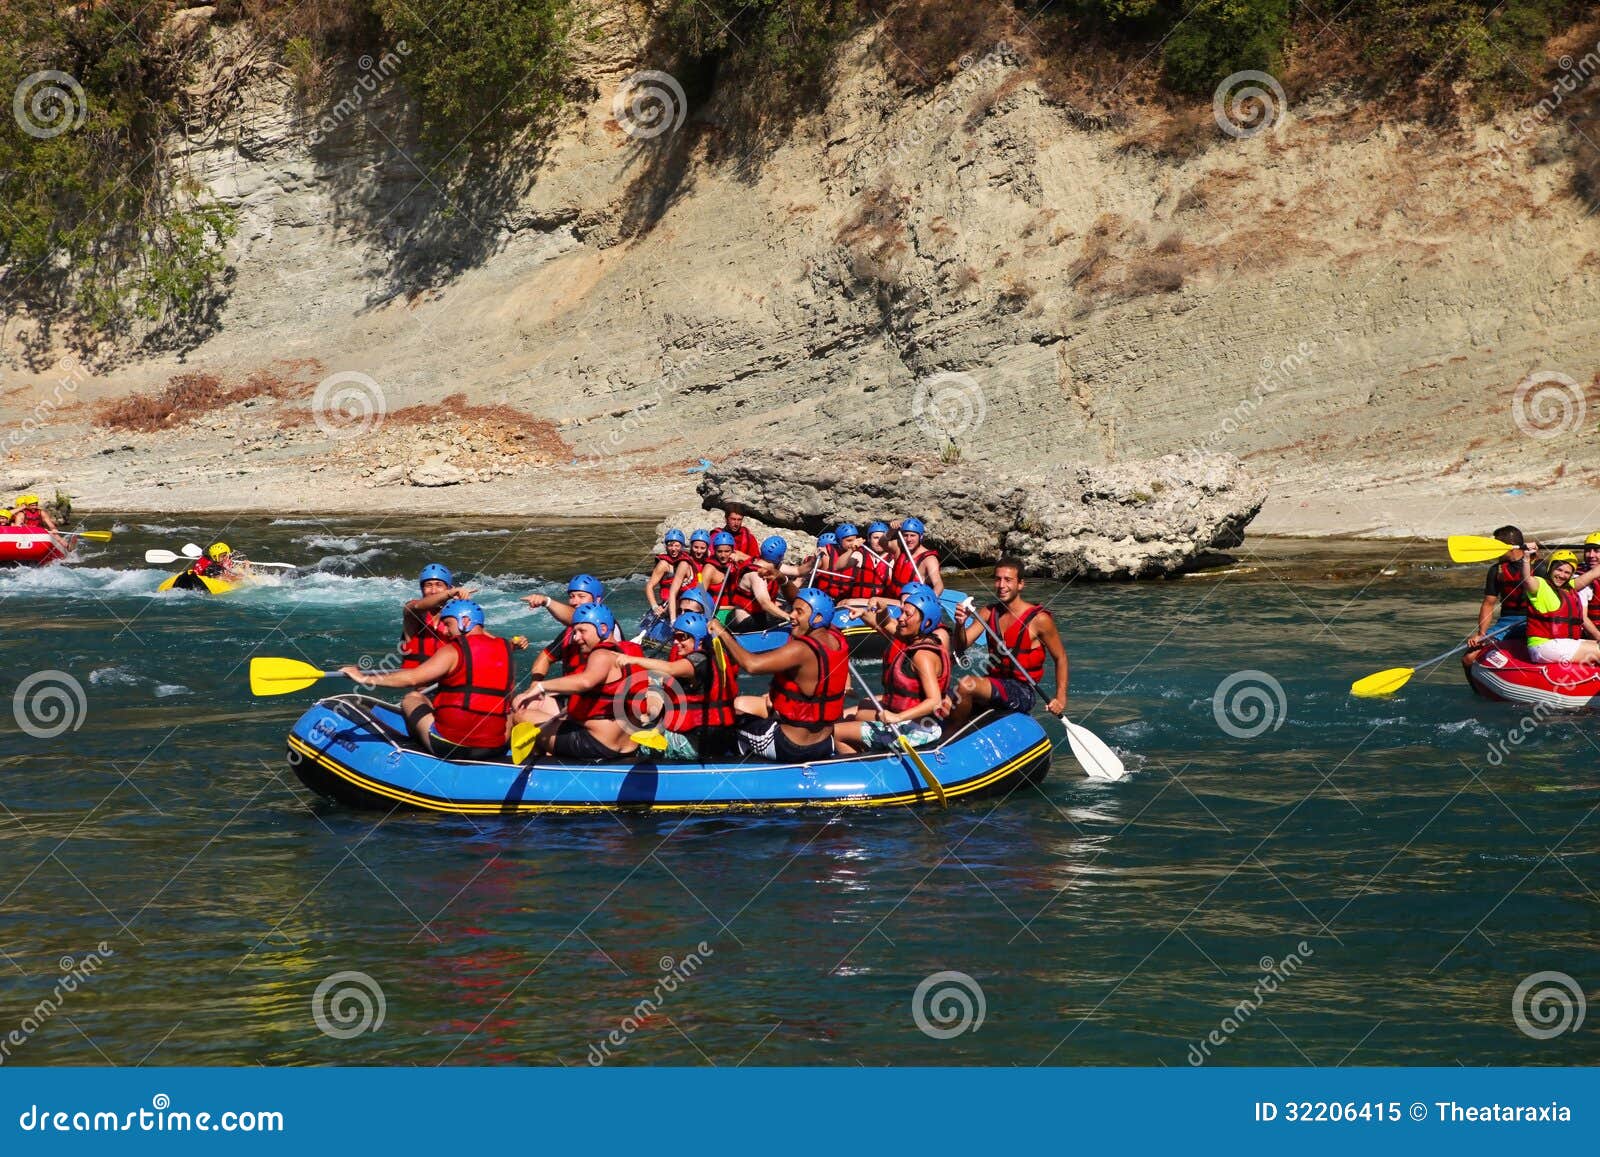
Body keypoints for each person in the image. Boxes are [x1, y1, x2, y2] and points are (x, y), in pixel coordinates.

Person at [341, 599, 515, 760]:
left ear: (466, 622)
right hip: (495, 746)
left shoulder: (453, 650)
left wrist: (363, 678)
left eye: (448, 624)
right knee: (508, 710)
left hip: (451, 745)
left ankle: (421, 744)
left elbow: (411, 678)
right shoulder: (507, 648)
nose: (445, 631)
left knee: (412, 698)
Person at [710, 588, 849, 762]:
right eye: (793, 609)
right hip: (824, 743)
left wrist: (722, 631)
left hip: (790, 746)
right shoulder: (834, 636)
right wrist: (783, 581)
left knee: (724, 720)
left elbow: (751, 665)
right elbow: (805, 602)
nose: (791, 615)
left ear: (818, 618)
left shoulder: (801, 650)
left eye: (798, 612)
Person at [512, 604, 646, 761]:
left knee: (521, 716)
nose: (576, 637)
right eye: (575, 632)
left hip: (596, 744)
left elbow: (585, 681)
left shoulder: (601, 655)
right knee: (551, 714)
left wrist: (541, 686)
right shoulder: (630, 652)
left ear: (602, 629)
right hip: (628, 745)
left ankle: (540, 764)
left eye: (582, 631)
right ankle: (550, 750)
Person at [942, 558, 1067, 726]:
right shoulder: (988, 612)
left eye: (1008, 580)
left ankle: (950, 737)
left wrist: (1060, 697)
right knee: (944, 698)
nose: (1001, 585)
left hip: (1022, 691)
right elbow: (961, 646)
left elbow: (1060, 658)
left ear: (1021, 584)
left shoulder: (1040, 620)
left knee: (967, 684)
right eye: (998, 579)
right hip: (993, 684)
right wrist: (960, 624)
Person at [834, 588, 951, 754]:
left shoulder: (922, 656)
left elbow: (934, 701)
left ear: (925, 623)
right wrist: (881, 609)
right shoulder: (914, 639)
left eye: (907, 615)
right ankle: (871, 753)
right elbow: (886, 623)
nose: (901, 618)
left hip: (916, 730)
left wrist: (897, 717)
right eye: (902, 612)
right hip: (911, 723)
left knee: (837, 732)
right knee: (861, 712)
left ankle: (864, 767)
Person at [617, 612, 741, 760]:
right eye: (674, 636)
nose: (676, 642)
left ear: (699, 640)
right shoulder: (714, 655)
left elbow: (670, 669)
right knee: (656, 682)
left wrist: (632, 659)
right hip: (715, 737)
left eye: (682, 637)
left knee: (629, 742)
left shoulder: (699, 661)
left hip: (698, 743)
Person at [1519, 546, 1600, 665]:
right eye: (1559, 570)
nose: (1562, 575)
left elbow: (1594, 573)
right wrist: (1526, 557)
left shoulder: (1570, 588)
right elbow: (1526, 579)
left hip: (1562, 644)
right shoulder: (1539, 585)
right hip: (1543, 646)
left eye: (1567, 572)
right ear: (1550, 569)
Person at [525, 574, 605, 680]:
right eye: (571, 596)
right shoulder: (571, 632)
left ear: (597, 600)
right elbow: (545, 657)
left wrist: (547, 601)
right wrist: (535, 684)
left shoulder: (605, 626)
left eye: (581, 596)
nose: (574, 602)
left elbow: (575, 617)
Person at [1467, 526, 1535, 650]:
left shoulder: (1538, 565)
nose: (1494, 550)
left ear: (1511, 546)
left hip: (1533, 620)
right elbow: (1488, 604)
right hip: (1506, 622)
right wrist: (1481, 634)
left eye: (1497, 545)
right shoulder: (1496, 570)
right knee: (1469, 658)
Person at [401, 563, 472, 669]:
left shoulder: (458, 617)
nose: (433, 591)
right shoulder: (412, 610)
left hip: (448, 679)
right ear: (422, 589)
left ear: (449, 588)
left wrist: (463, 608)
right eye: (428, 585)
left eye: (439, 585)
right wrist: (448, 594)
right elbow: (416, 606)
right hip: (419, 680)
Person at [721, 535, 793, 628]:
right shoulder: (757, 574)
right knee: (787, 613)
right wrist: (788, 617)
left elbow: (798, 571)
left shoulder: (769, 566)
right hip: (747, 621)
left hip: (756, 615)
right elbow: (765, 603)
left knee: (788, 607)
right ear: (780, 556)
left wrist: (813, 561)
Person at [829, 523, 889, 608]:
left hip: (882, 605)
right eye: (875, 538)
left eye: (882, 538)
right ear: (869, 539)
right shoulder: (860, 555)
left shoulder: (893, 559)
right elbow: (838, 566)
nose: (879, 541)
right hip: (859, 604)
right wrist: (851, 550)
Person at [886, 516, 943, 596]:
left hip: (913, 603)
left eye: (912, 535)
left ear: (921, 537)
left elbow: (938, 584)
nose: (908, 539)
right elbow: (882, 543)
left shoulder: (929, 559)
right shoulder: (899, 548)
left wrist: (930, 600)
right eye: (905, 535)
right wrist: (891, 531)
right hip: (893, 599)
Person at [646, 530, 688, 618]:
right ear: (666, 547)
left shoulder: (687, 562)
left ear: (682, 546)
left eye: (677, 546)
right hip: (667, 605)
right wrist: (655, 607)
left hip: (684, 604)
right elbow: (649, 586)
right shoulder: (663, 564)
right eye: (670, 545)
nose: (673, 549)